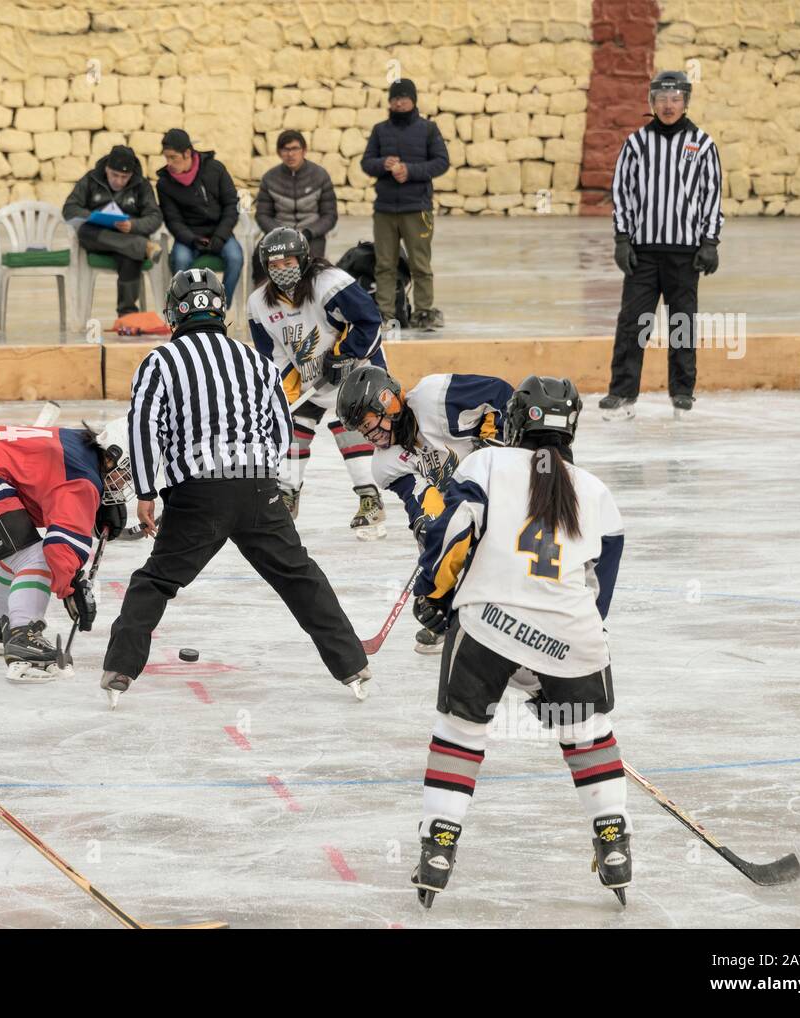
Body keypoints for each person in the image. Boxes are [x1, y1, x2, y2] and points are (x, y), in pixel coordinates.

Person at [102, 268, 372, 708]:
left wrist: (148, 492)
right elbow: (282, 430)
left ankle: (119, 671)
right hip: (257, 487)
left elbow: (143, 429)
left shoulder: (160, 361)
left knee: (156, 581)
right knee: (299, 577)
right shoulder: (257, 362)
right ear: (221, 310)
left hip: (198, 492)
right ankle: (352, 665)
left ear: (175, 312)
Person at [408, 376, 630, 910]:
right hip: (572, 638)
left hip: (487, 625)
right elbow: (596, 596)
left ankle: (439, 847)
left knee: (460, 733)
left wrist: (434, 600)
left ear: (514, 422)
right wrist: (550, 667)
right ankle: (614, 841)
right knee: (588, 734)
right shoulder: (598, 493)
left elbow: (453, 532)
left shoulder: (485, 465)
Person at [336, 365, 513, 652]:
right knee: (435, 535)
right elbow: (421, 500)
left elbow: (501, 394)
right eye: (361, 431)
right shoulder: (385, 464)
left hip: (509, 477)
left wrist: (493, 445)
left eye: (368, 424)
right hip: (472, 501)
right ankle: (448, 609)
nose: (369, 437)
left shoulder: (434, 398)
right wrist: (430, 533)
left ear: (388, 403)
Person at [0, 420, 132, 682]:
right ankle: (24, 636)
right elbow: (62, 544)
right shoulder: (82, 478)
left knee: (19, 549)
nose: (124, 482)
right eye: (125, 473)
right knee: (39, 557)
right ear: (110, 457)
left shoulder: (79, 445)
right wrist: (71, 586)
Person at [248, 226, 389, 539]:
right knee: (290, 429)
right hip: (309, 374)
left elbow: (368, 321)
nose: (282, 271)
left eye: (288, 263)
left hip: (357, 369)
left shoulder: (331, 283)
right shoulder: (259, 303)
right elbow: (274, 355)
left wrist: (343, 354)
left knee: (350, 430)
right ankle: (286, 496)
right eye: (275, 265)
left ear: (303, 259)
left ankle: (370, 499)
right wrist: (286, 391)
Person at [602, 70, 723, 421]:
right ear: (651, 102)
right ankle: (622, 392)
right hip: (644, 251)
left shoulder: (702, 143)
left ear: (685, 101)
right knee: (633, 323)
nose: (668, 105)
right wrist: (622, 237)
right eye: (662, 99)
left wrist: (710, 240)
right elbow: (622, 192)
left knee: (682, 322)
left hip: (685, 252)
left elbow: (711, 195)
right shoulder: (636, 143)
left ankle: (682, 393)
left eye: (675, 99)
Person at [359, 78, 449, 331]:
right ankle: (385, 314)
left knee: (420, 264)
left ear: (413, 100)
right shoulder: (380, 130)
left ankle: (423, 311)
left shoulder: (428, 129)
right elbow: (367, 163)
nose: (399, 102)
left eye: (403, 98)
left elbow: (441, 162)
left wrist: (410, 171)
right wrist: (383, 164)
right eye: (395, 98)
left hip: (417, 208)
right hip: (385, 209)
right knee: (384, 264)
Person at [62, 144, 163, 318]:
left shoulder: (141, 185)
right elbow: (69, 209)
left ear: (131, 175)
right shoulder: (91, 179)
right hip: (97, 239)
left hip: (127, 237)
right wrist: (95, 216)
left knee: (132, 256)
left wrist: (133, 225)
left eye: (124, 177)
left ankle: (127, 315)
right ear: (107, 168)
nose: (119, 181)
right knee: (85, 232)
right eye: (114, 175)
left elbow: (154, 217)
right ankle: (143, 246)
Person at [156, 129, 244, 307]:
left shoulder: (215, 169)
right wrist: (192, 239)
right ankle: (187, 309)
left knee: (236, 258)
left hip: (220, 233)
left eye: (173, 157)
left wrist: (220, 236)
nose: (169, 163)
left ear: (187, 153)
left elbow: (231, 205)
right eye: (167, 158)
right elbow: (173, 220)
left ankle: (220, 306)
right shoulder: (164, 183)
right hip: (188, 237)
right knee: (180, 261)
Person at [255, 130, 338, 259]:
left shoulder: (320, 176)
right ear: (278, 153)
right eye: (285, 149)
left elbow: (330, 215)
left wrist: (309, 232)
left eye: (295, 149)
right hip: (279, 235)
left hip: (311, 235)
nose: (290, 154)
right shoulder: (269, 178)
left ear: (304, 151)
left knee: (310, 266)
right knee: (260, 260)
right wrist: (281, 233)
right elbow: (262, 214)